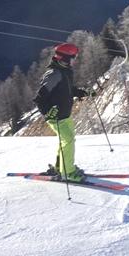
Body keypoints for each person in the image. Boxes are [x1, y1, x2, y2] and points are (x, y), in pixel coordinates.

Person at [34, 42, 89, 180]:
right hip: (56, 116)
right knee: (68, 140)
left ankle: (60, 167)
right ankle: (68, 173)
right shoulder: (53, 74)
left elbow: (67, 89)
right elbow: (39, 98)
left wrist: (82, 92)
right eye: (72, 58)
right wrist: (47, 112)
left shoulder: (65, 71)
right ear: (65, 58)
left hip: (65, 115)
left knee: (66, 140)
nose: (74, 61)